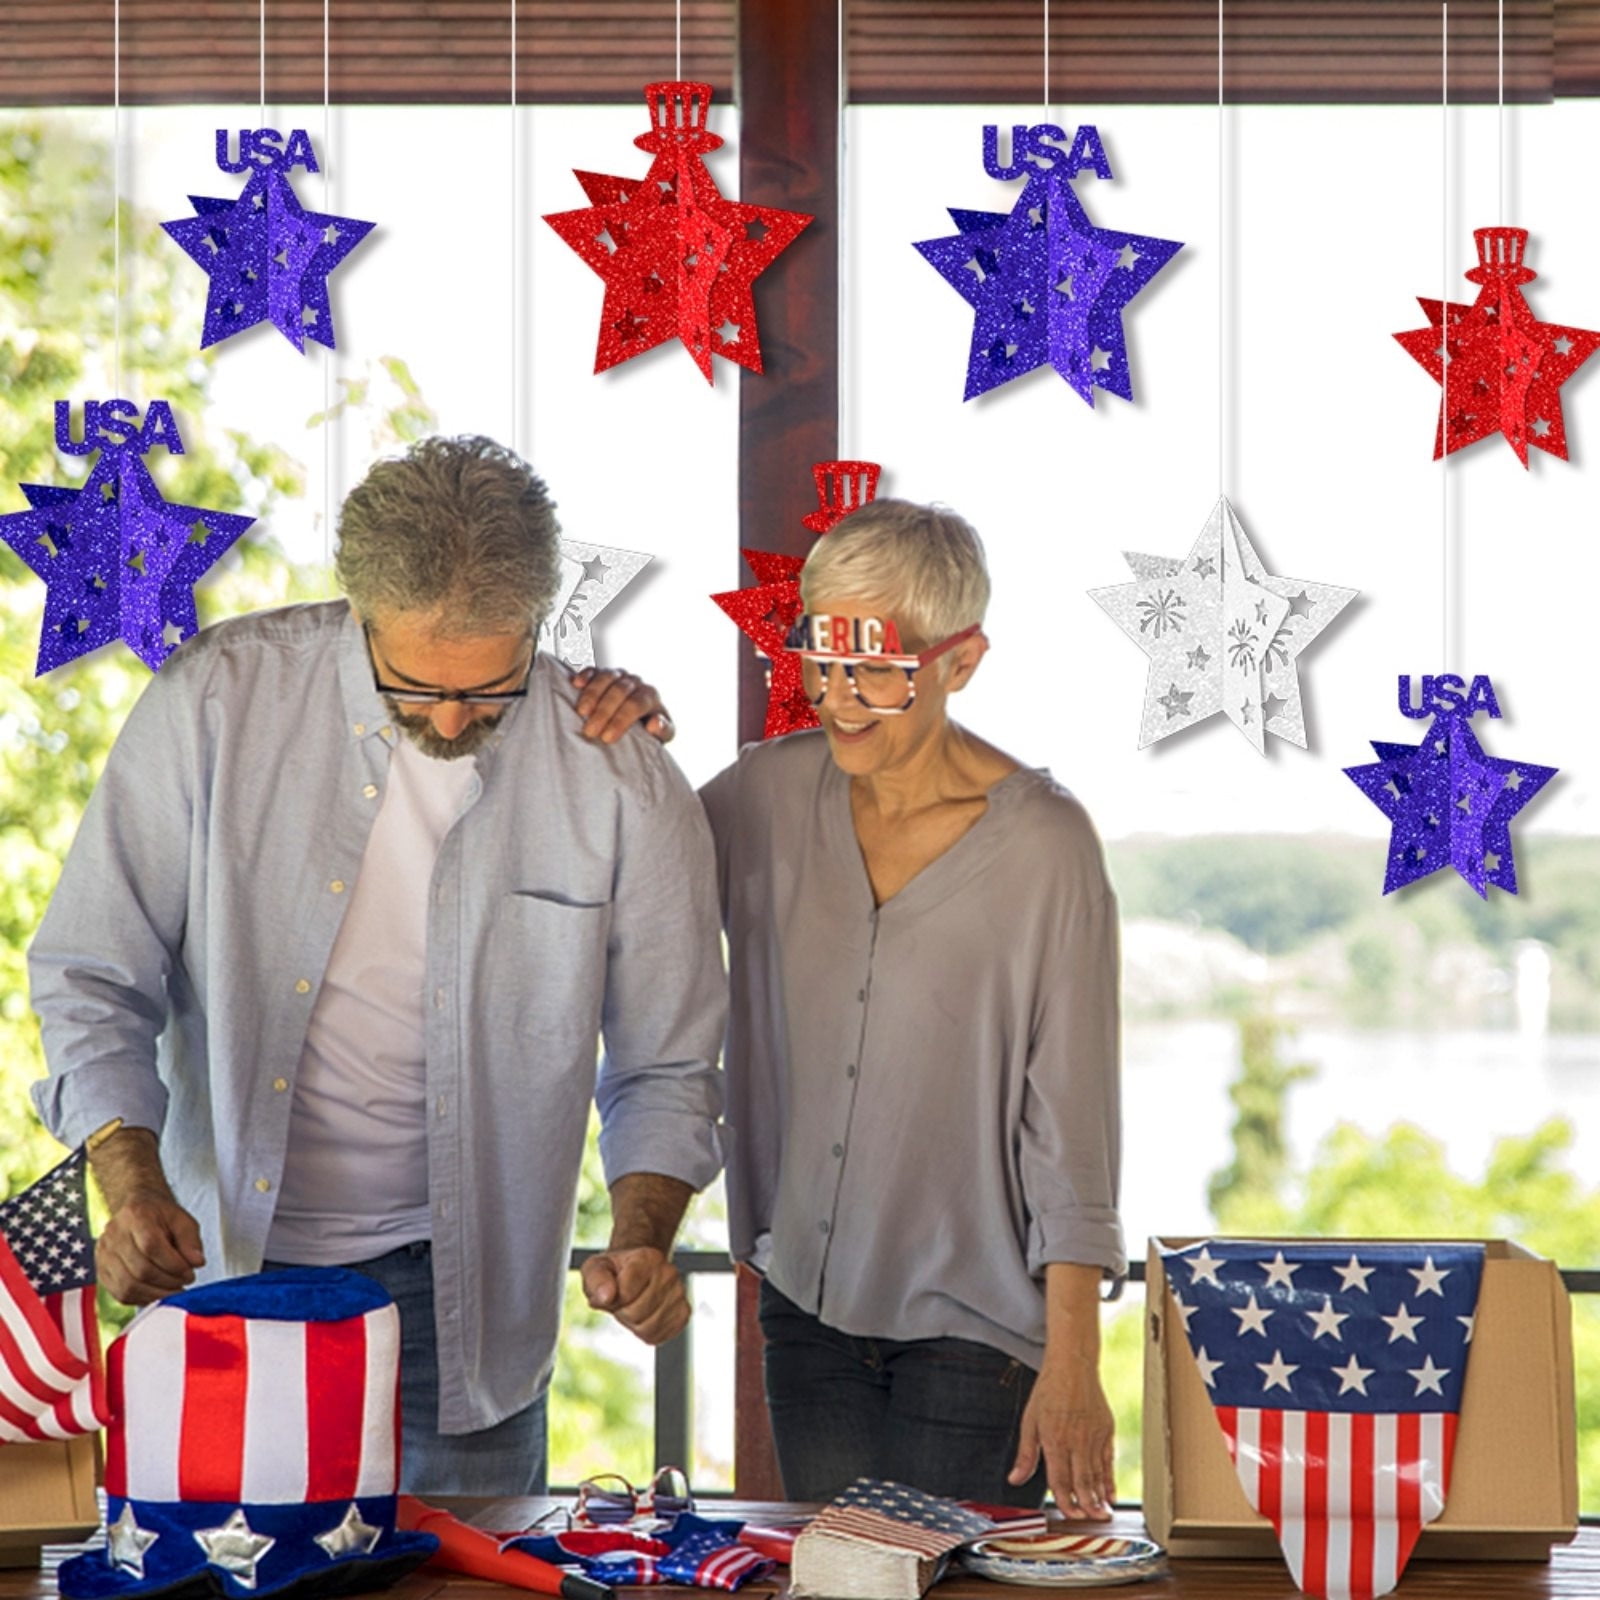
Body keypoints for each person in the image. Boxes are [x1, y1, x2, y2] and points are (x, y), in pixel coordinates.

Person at [28, 434, 727, 1496]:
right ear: (358, 610)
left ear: (537, 625)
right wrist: (132, 1187)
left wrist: (642, 1235)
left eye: (489, 692)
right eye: (413, 685)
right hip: (229, 1270)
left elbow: (667, 1061)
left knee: (464, 1571)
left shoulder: (616, 771)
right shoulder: (216, 703)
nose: (448, 720)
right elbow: (92, 971)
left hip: (468, 1311)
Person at [695, 497, 1124, 1517]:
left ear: (960, 662)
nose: (838, 700)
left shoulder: (1045, 846)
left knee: (940, 1584)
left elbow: (1071, 1126)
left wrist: (1075, 1363)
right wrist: (604, 719)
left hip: (977, 1338)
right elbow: (626, 874)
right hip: (806, 1313)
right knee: (837, 1581)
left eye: (876, 670)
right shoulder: (758, 798)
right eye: (822, 660)